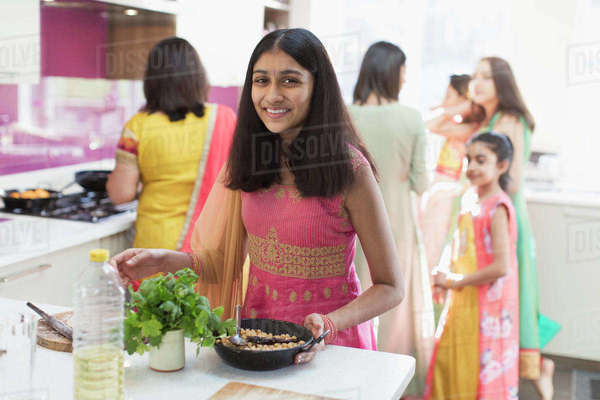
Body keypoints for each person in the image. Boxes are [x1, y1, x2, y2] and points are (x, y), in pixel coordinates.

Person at [110, 28, 405, 365]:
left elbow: (390, 286)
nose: (272, 95)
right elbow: (224, 263)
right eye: (261, 80)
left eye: (290, 81)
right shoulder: (248, 162)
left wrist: (330, 323)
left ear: (317, 87)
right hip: (255, 341)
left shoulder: (350, 170)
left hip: (333, 350)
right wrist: (166, 261)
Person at [347, 41, 433, 398]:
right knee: (394, 303)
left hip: (347, 222)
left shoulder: (345, 115)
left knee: (352, 297)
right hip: (395, 221)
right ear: (395, 74)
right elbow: (420, 181)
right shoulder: (411, 118)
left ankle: (351, 376)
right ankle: (391, 385)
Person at [470, 56, 558, 399]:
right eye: (475, 76)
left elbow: (514, 180)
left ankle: (535, 369)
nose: (476, 83)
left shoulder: (510, 119)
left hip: (504, 215)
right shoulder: (490, 117)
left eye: (485, 78)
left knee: (512, 294)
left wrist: (485, 205)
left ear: (501, 84)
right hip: (490, 213)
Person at [106, 37, 236, 251]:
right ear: (198, 76)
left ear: (152, 80)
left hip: (156, 249)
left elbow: (120, 195)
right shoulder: (225, 119)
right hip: (210, 248)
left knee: (157, 287)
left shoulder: (138, 126)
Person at [425, 132, 519, 400]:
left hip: (487, 305)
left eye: (481, 160)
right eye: (468, 160)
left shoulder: (497, 207)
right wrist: (443, 274)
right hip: (464, 296)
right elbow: (458, 242)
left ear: (501, 165)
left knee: (480, 363)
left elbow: (501, 267)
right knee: (453, 357)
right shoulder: (470, 198)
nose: (472, 167)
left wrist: (454, 281)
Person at [421, 74, 485, 275]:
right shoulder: (456, 124)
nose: (444, 100)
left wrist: (456, 108)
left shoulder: (469, 129)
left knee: (435, 250)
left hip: (449, 198)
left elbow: (430, 125)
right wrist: (447, 108)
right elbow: (427, 125)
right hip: (439, 194)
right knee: (428, 246)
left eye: (449, 95)